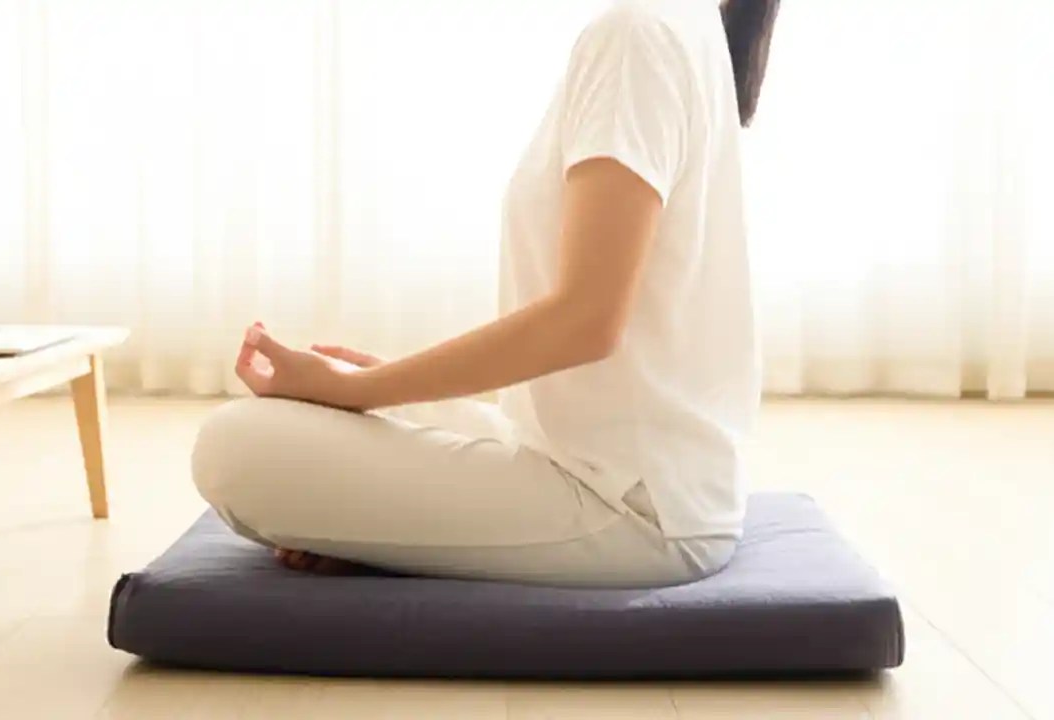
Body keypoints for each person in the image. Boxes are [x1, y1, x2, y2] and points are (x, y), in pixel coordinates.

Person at [191, 0, 781, 588]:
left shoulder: (636, 36)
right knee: (328, 407)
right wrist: (384, 388)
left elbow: (587, 320)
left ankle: (391, 531)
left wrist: (360, 390)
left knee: (231, 445)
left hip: (630, 508)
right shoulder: (679, 24)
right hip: (630, 471)